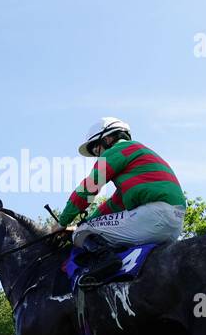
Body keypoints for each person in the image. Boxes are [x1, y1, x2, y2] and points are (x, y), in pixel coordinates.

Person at [57, 117, 186, 285]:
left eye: (96, 148)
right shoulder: (137, 166)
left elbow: (90, 186)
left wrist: (63, 222)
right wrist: (89, 221)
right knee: (87, 227)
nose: (96, 154)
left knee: (80, 232)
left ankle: (107, 261)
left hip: (154, 216)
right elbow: (111, 208)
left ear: (108, 139)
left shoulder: (118, 150)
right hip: (175, 225)